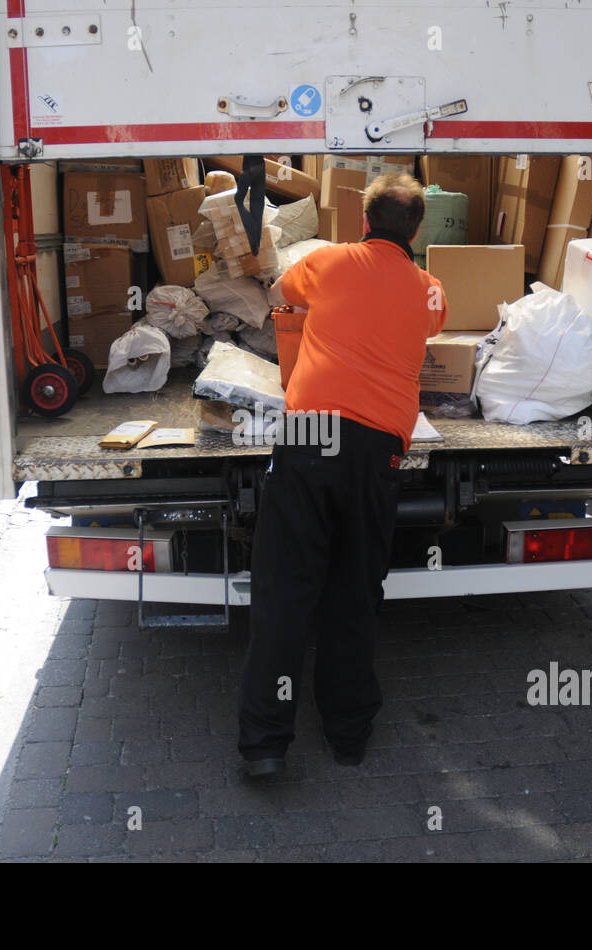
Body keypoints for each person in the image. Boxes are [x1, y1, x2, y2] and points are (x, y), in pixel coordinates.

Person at [237, 173, 447, 777]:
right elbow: (430, 324)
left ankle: (265, 746)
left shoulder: (327, 263)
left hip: (309, 435)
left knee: (283, 593)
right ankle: (348, 734)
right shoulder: (430, 289)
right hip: (377, 447)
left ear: (363, 221)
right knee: (354, 594)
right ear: (416, 230)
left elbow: (281, 291)